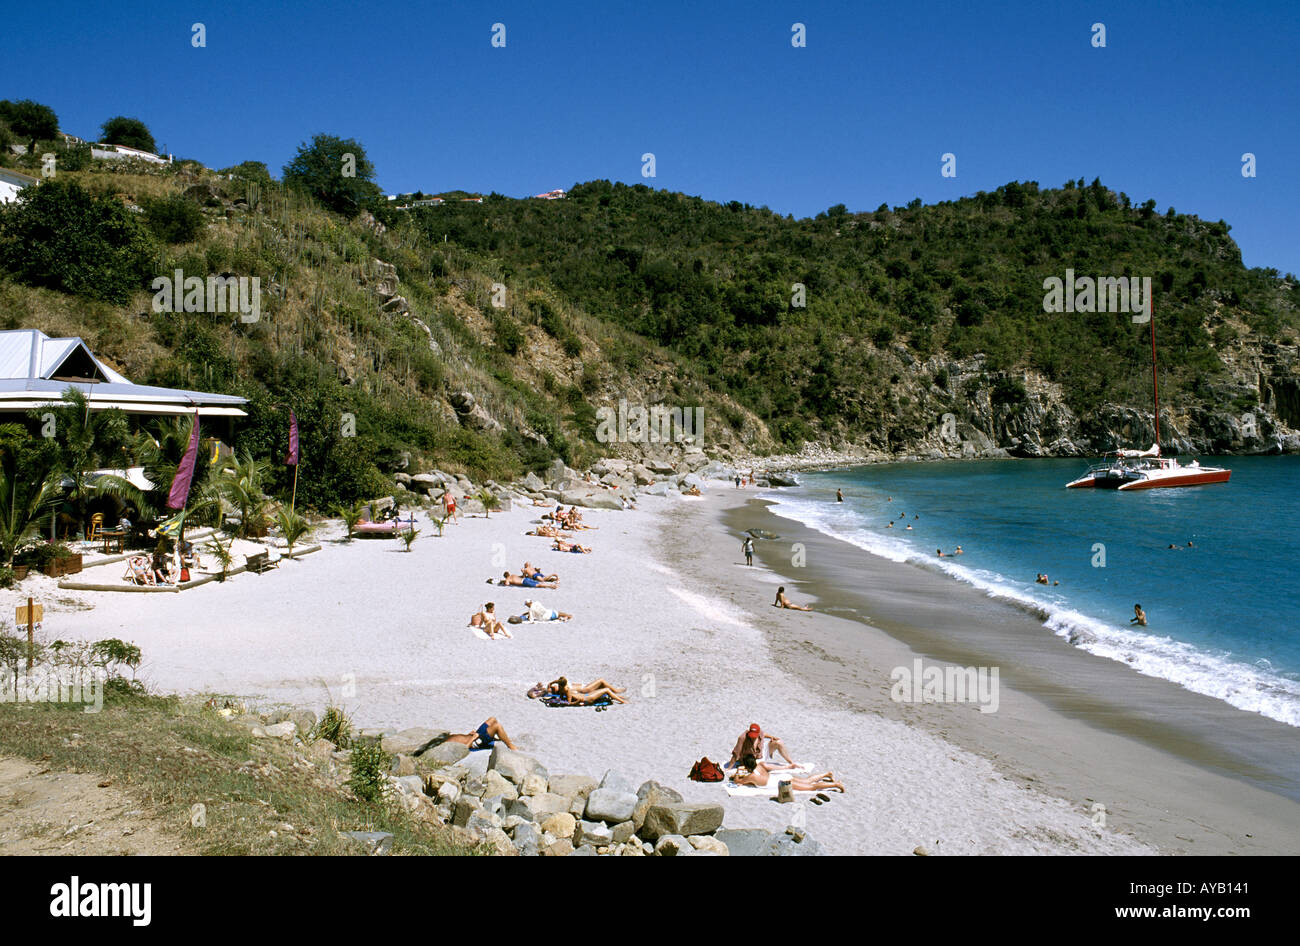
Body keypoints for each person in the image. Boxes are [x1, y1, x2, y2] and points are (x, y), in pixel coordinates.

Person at [734, 754, 845, 793]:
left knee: (811, 787)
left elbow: (737, 781)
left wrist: (739, 771)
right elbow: (775, 768)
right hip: (781, 777)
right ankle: (826, 774)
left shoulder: (752, 776)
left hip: (783, 783)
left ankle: (836, 785)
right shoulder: (761, 765)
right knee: (806, 780)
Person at [417, 718, 516, 753]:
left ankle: (495, 736)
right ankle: (511, 746)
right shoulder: (447, 743)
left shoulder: (448, 738)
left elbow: (462, 738)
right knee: (497, 726)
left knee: (492, 719)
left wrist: (469, 734)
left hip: (474, 736)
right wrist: (472, 738)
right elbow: (464, 748)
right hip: (475, 742)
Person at [728, 723, 794, 767]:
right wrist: (729, 767)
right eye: (751, 736)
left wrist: (771, 736)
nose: (753, 737)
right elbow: (735, 754)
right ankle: (787, 768)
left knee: (779, 742)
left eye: (754, 736)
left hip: (762, 751)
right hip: (751, 759)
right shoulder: (742, 738)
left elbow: (763, 734)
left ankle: (791, 762)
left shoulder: (760, 733)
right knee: (761, 766)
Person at [533, 676, 627, 704]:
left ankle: (618, 695)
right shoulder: (565, 690)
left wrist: (552, 683)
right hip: (585, 692)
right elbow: (569, 702)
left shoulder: (560, 688)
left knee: (603, 688)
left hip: (584, 693)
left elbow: (553, 685)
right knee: (602, 684)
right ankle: (618, 695)